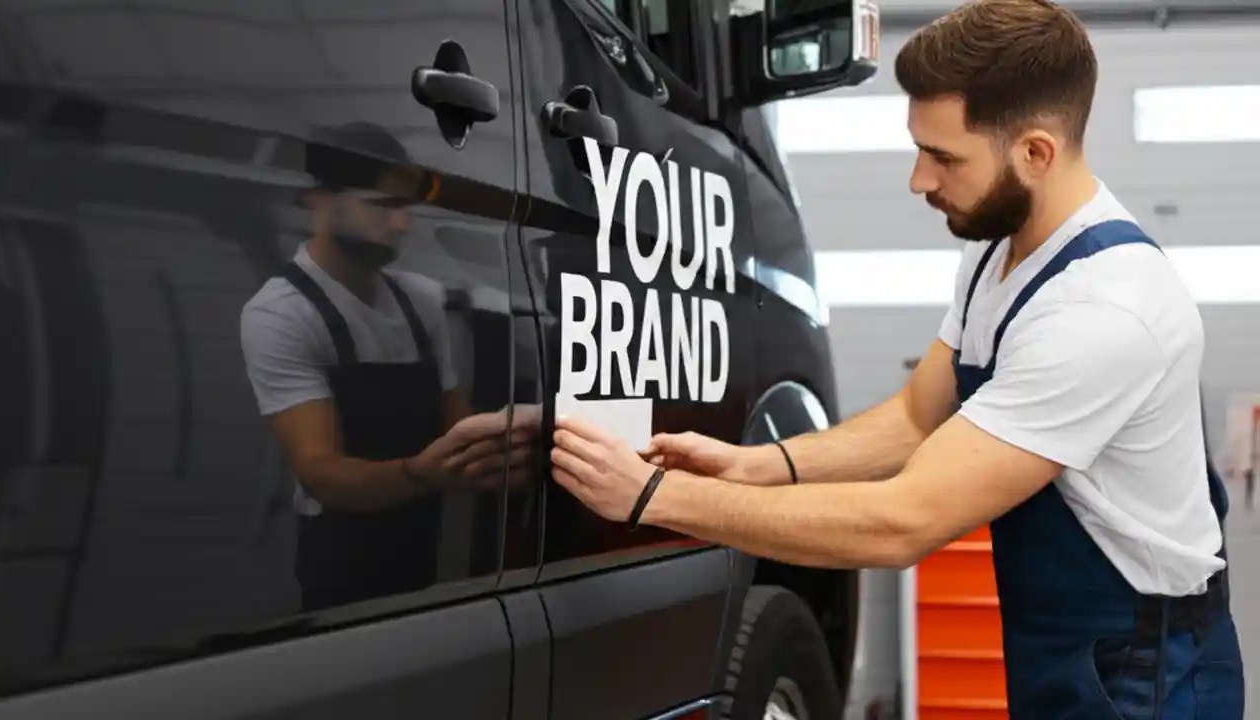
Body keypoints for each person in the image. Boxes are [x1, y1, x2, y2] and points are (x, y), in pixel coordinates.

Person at [547, 0, 1245, 716]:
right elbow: (917, 418)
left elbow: (903, 520)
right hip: (1069, 655)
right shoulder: (998, 249)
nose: (919, 180)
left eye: (943, 156)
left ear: (1035, 152)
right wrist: (756, 466)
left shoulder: (1105, 309)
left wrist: (656, 499)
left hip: (1149, 679)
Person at [240, 122, 525, 610]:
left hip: (421, 550)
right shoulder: (281, 313)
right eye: (383, 206)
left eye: (406, 207)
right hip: (338, 565)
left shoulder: (420, 300)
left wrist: (507, 451)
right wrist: (422, 473)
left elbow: (456, 423)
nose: (403, 225)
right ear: (322, 201)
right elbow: (322, 474)